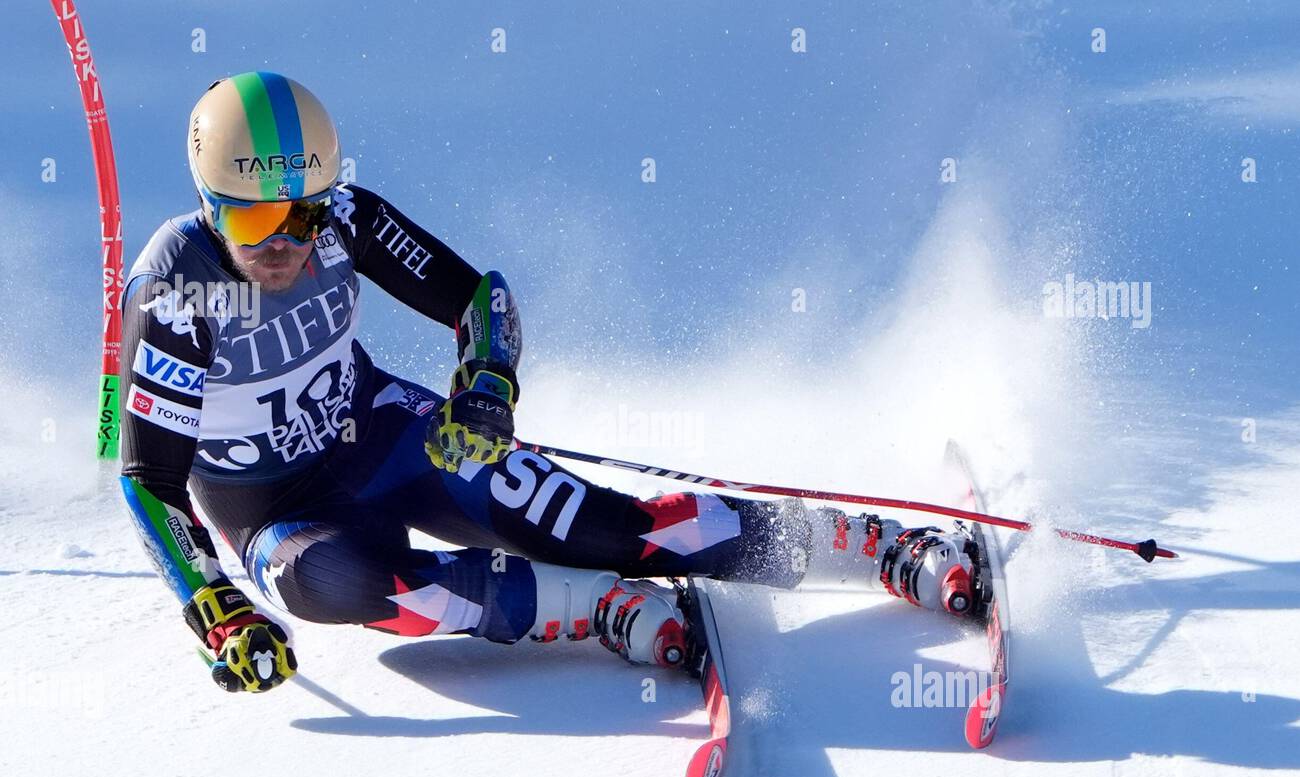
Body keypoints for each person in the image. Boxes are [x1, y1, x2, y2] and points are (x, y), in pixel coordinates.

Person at [120, 71, 978, 694]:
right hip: (274, 515)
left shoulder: (350, 219)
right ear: (207, 205)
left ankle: (867, 545)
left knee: (605, 524)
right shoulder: (180, 290)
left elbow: (477, 298)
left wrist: (485, 387)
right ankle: (594, 610)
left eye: (300, 210)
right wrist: (214, 604)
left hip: (381, 437)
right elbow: (149, 482)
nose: (282, 244)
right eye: (252, 218)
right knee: (350, 589)